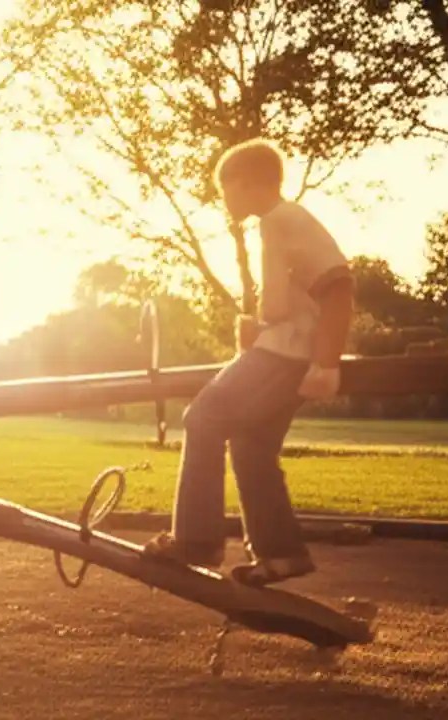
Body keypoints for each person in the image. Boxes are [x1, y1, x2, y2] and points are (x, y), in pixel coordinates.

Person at [143, 139, 354, 586]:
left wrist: (327, 362)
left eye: (226, 190)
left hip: (286, 356)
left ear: (247, 183)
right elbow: (294, 304)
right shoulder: (276, 224)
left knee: (203, 417)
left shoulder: (285, 219)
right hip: (283, 350)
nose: (223, 201)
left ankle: (196, 541)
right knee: (251, 445)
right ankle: (282, 555)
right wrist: (258, 329)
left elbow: (338, 288)